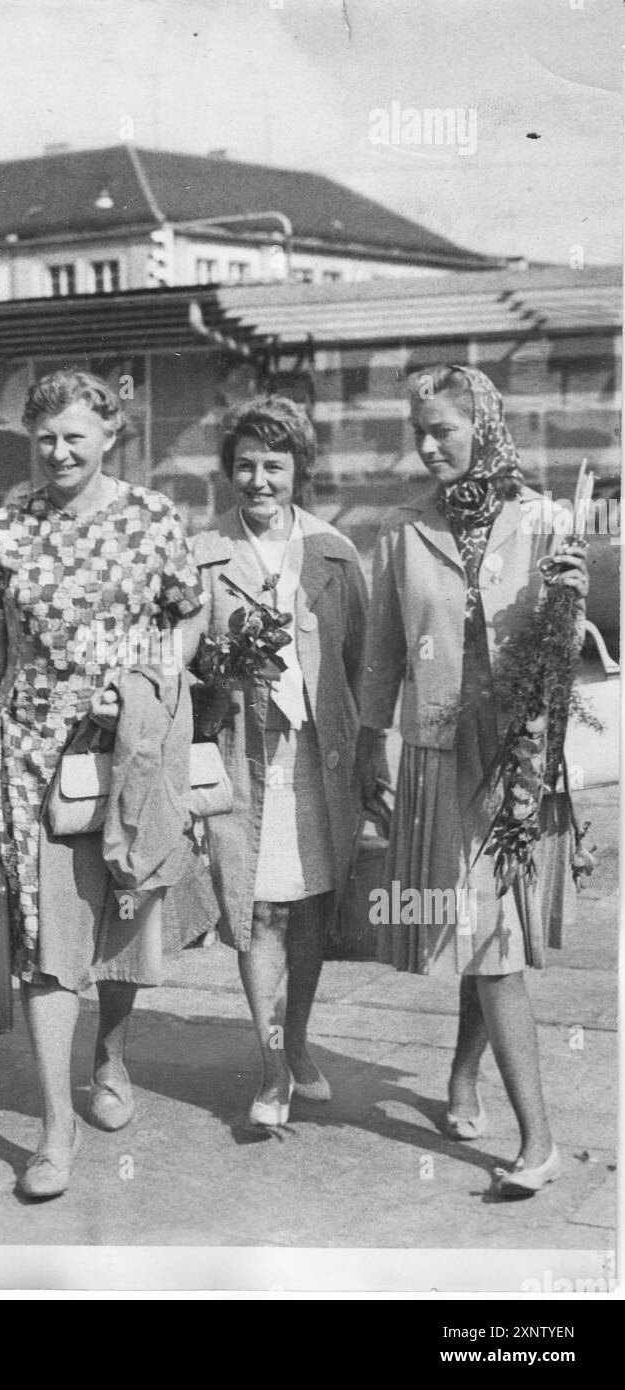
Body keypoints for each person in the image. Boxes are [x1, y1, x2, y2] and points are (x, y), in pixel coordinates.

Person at [0, 368, 213, 1199]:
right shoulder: (6, 527)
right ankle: (54, 1129)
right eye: (44, 438)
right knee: (43, 939)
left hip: (128, 748)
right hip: (28, 753)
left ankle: (110, 1053)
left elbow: (189, 612)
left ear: (109, 436)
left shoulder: (151, 518)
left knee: (123, 919)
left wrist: (153, 682)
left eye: (75, 436)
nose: (58, 451)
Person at [356, 364, 588, 1198]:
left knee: (492, 940)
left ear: (481, 428)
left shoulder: (542, 521)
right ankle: (469, 1082)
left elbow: (574, 637)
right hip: (436, 751)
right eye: (416, 432)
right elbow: (382, 650)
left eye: (442, 431)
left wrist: (573, 592)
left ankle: (536, 1140)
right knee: (476, 928)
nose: (425, 447)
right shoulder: (402, 529)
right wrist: (363, 748)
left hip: (517, 756)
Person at [191, 396, 370, 1126]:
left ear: (299, 469)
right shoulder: (204, 554)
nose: (258, 480)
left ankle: (296, 1042)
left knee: (308, 914)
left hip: (316, 763)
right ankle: (270, 1069)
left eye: (274, 465)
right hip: (243, 758)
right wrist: (221, 668)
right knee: (256, 911)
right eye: (245, 466)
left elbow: (359, 665)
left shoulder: (333, 552)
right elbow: (185, 667)